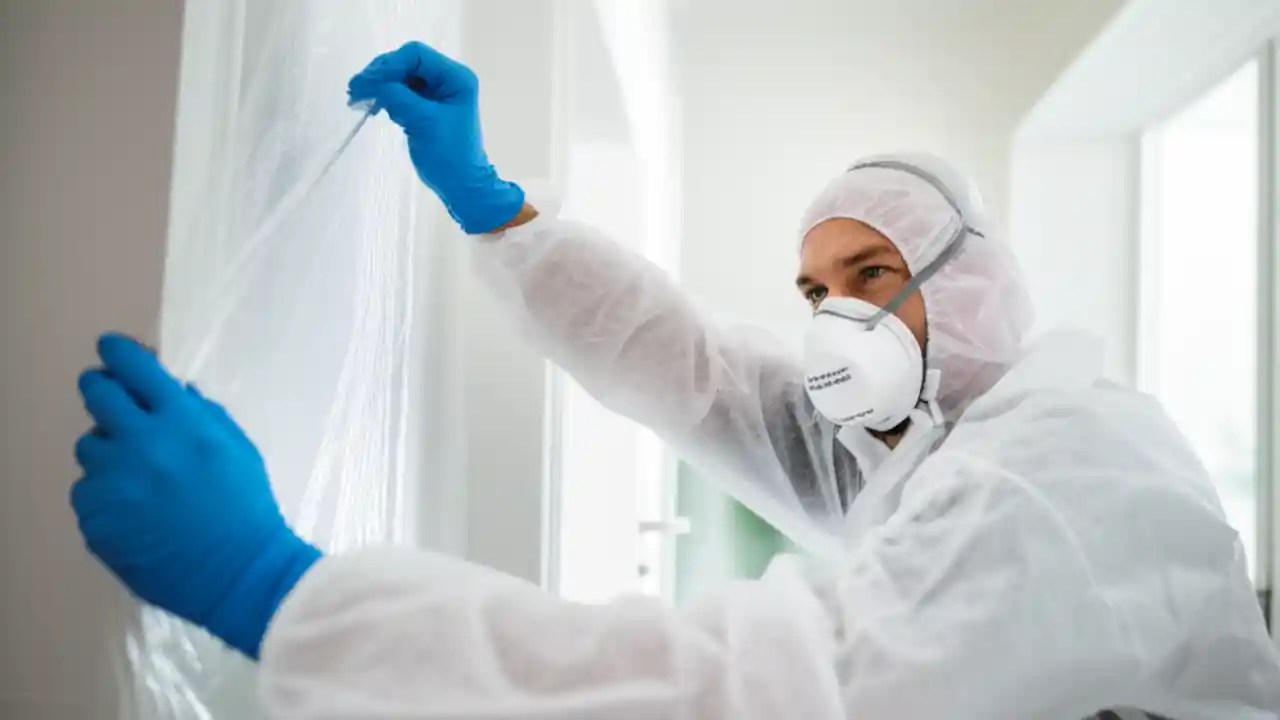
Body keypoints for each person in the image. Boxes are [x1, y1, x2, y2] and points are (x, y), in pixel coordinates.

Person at [69, 41, 1280, 719]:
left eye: (871, 273)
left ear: (977, 278)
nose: (835, 320)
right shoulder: (915, 459)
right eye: (816, 295)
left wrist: (282, 591)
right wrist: (497, 211)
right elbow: (700, 375)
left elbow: (778, 695)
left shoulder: (1062, 464)